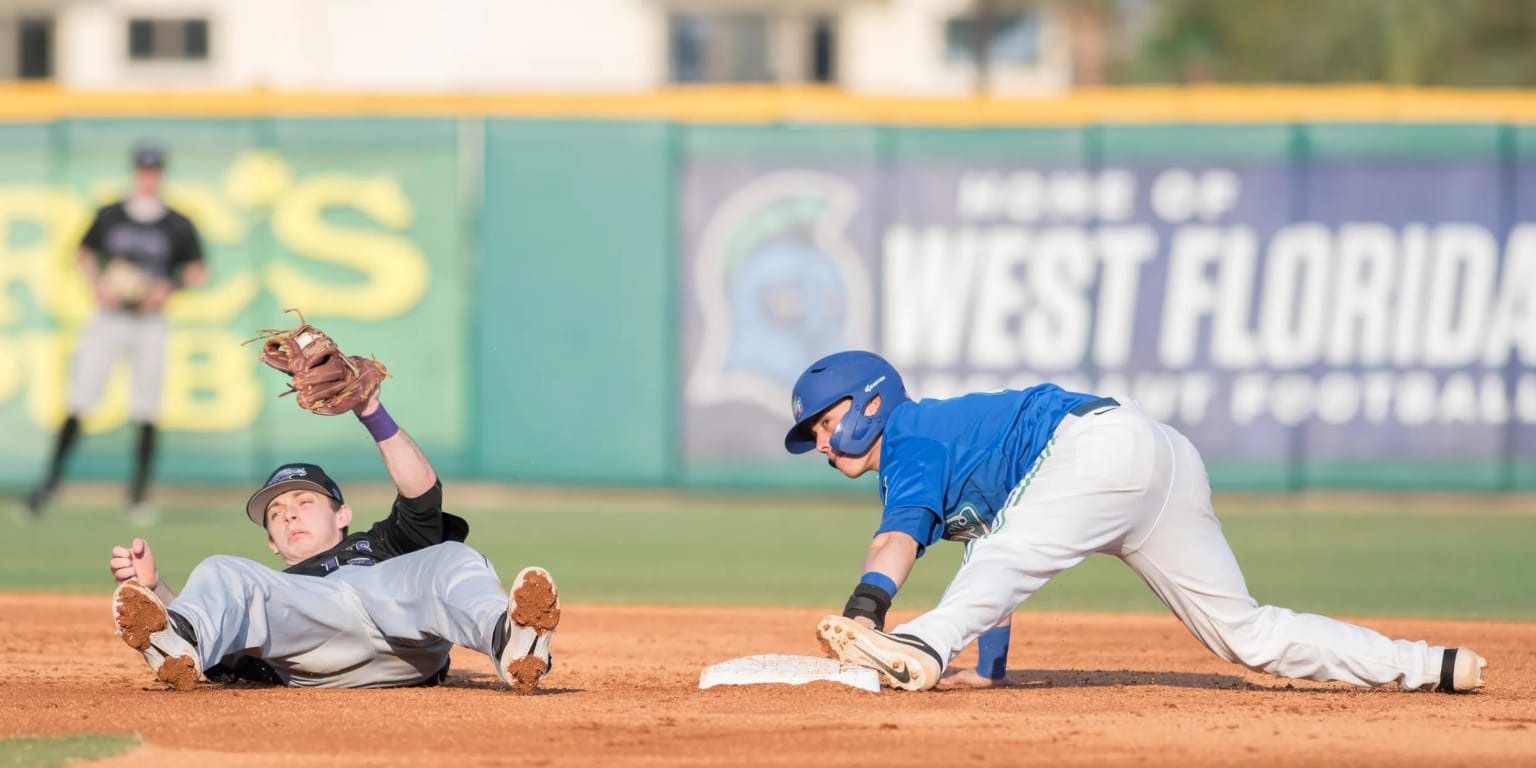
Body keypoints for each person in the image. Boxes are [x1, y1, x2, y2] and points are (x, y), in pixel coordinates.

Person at [790, 350, 1487, 693]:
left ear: (870, 404)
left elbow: (895, 539)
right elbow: (990, 544)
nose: (822, 441)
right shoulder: (937, 442)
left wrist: (867, 617)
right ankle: (1430, 666)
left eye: (826, 421)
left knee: (1002, 555)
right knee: (1246, 635)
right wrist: (993, 669)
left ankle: (920, 646)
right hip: (1159, 454)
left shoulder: (911, 438)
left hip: (1095, 452)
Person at [105, 387, 562, 692]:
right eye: (276, 515)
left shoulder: (385, 543)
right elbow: (227, 643)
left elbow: (422, 493)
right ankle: (176, 633)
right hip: (314, 639)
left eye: (304, 501)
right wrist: (158, 591)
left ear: (342, 513)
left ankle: (511, 639)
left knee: (452, 557)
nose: (289, 515)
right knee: (222, 570)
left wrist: (371, 412)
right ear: (273, 545)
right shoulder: (270, 592)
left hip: (404, 630)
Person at [23, 143, 208, 526]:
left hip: (150, 322)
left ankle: (138, 495)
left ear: (161, 175)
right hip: (108, 319)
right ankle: (50, 486)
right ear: (135, 173)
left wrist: (167, 287)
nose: (148, 176)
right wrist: (98, 285)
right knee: (81, 397)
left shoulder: (176, 222)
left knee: (146, 406)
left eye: (154, 170)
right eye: (143, 170)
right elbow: (84, 254)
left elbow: (197, 269)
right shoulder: (111, 214)